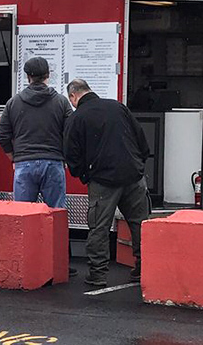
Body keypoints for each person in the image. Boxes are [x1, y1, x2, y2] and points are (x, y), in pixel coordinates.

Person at [64, 78, 151, 289]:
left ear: (73, 96)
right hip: (133, 175)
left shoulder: (77, 118)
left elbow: (71, 155)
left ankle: (98, 274)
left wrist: (85, 175)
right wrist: (139, 163)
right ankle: (144, 268)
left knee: (99, 227)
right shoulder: (117, 107)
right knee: (140, 223)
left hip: (102, 181)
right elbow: (140, 138)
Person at [0, 56, 72, 209]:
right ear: (48, 75)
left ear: (28, 76)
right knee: (56, 214)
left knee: (23, 216)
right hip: (53, 163)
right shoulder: (61, 102)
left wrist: (13, 158)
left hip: (24, 164)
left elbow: (1, 135)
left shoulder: (13, 102)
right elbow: (72, 132)